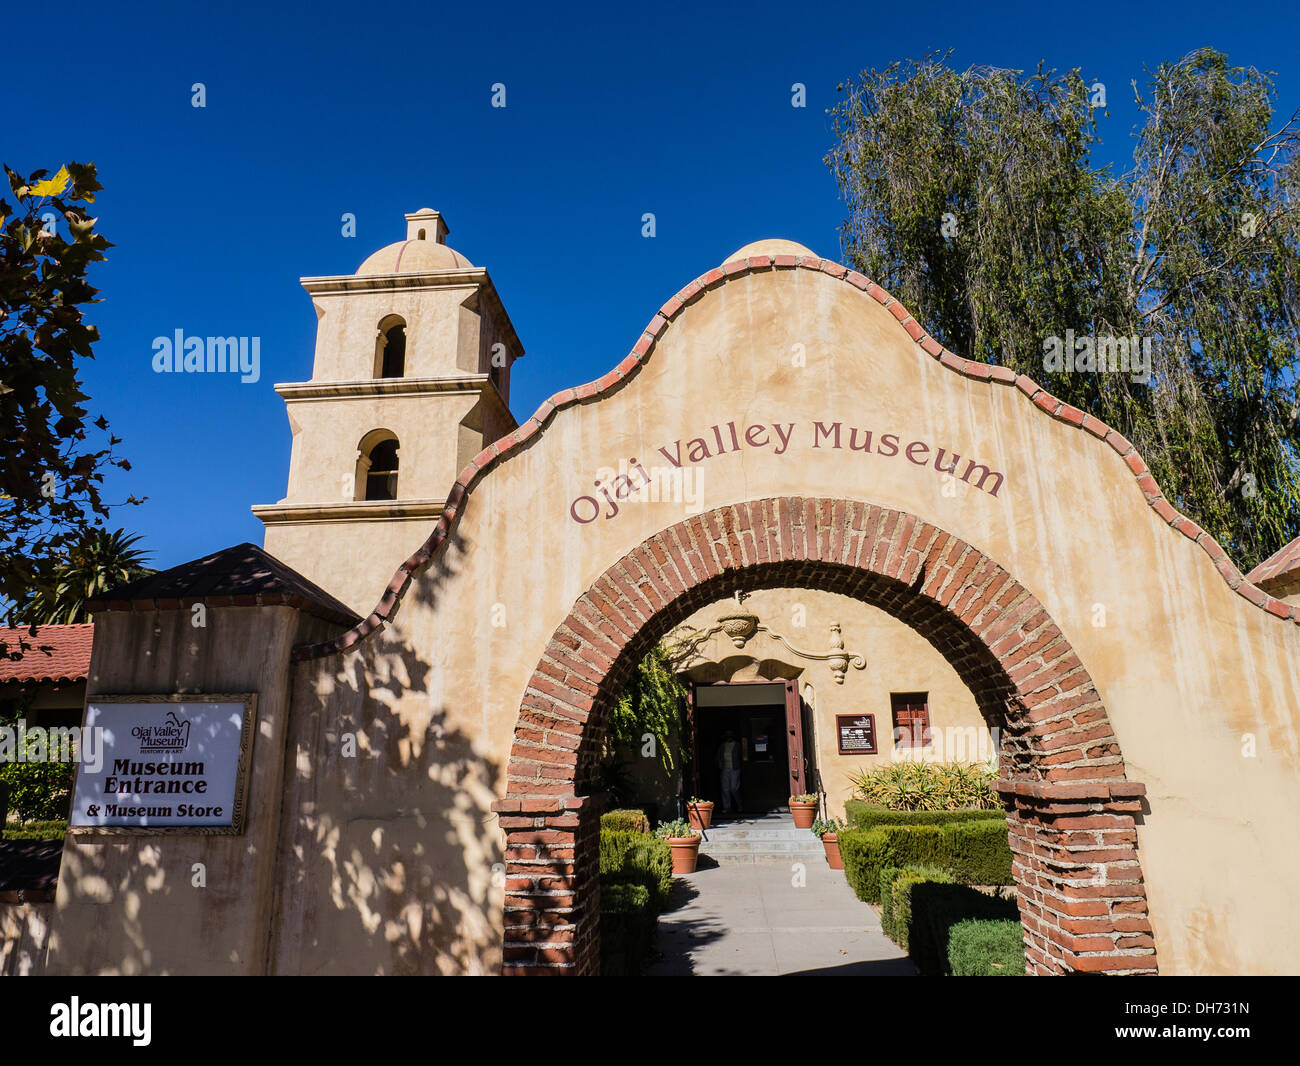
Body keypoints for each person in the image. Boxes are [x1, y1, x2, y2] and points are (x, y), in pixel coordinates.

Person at [717, 729, 743, 815]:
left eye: (730, 736)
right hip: (725, 769)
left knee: (734, 788)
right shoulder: (722, 746)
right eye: (727, 736)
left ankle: (739, 805)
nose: (729, 737)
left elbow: (742, 756)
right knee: (725, 789)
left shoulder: (737, 745)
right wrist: (720, 764)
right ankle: (727, 807)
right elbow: (719, 757)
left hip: (735, 769)